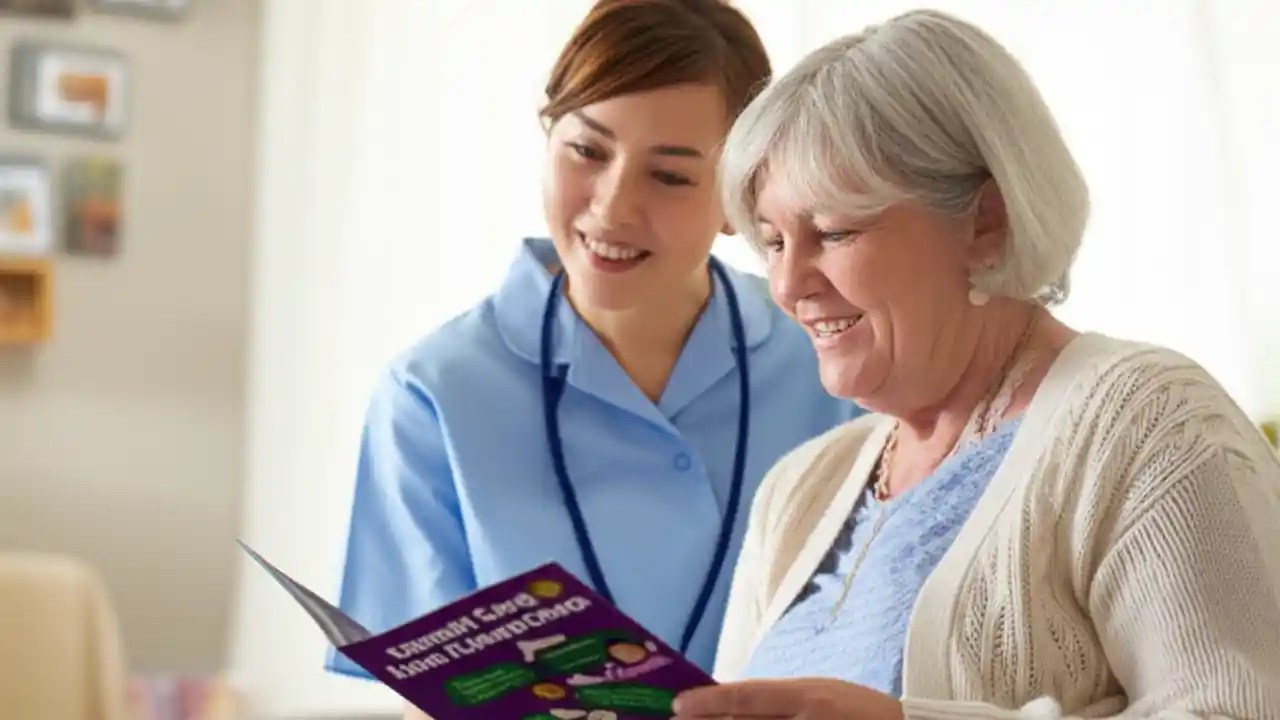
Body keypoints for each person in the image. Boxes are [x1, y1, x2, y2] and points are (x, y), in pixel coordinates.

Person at [671, 9, 1280, 720]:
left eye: (833, 231)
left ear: (984, 222)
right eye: (772, 242)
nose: (788, 284)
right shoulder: (798, 491)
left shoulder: (1149, 424)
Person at [326, 0, 863, 693]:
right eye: (587, 151)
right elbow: (431, 695)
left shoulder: (832, 365)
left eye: (669, 175)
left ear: (744, 196)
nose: (612, 207)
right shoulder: (433, 395)